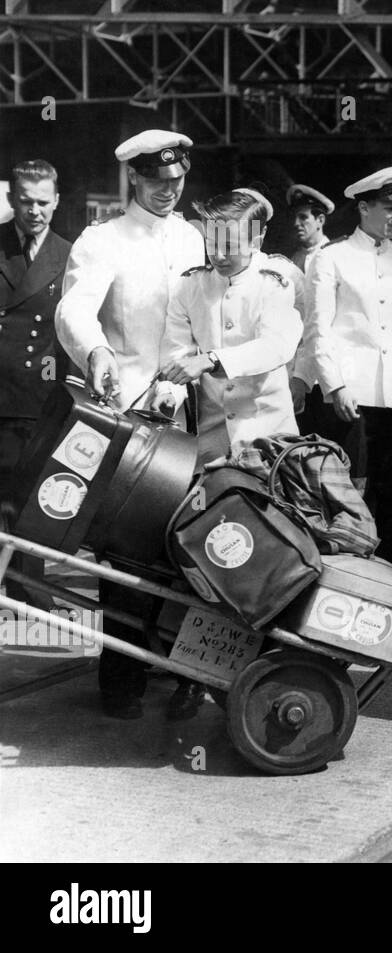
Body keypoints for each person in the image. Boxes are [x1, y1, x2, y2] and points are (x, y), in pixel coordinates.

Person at [55, 129, 205, 720]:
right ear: (134, 180)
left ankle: (180, 670)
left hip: (190, 414)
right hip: (131, 416)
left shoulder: (194, 236)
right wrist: (95, 351)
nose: (169, 191)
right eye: (157, 182)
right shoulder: (103, 240)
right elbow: (73, 306)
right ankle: (120, 679)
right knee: (126, 552)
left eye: (178, 181)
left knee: (187, 545)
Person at [304, 166, 392, 576]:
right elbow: (318, 329)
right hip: (345, 398)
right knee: (336, 495)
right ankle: (332, 579)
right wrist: (334, 385)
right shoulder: (330, 258)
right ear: (363, 207)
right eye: (388, 208)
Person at [159, 189, 301, 468]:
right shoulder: (190, 286)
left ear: (256, 242)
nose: (219, 255)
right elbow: (175, 352)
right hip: (211, 439)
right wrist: (169, 392)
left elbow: (276, 346)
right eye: (211, 243)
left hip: (267, 435)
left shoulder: (273, 284)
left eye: (230, 245)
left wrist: (212, 360)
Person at [0, 159, 71, 609]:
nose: (34, 211)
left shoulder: (69, 254)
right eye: (25, 201)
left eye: (43, 202)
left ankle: (27, 600)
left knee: (28, 503)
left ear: (57, 201)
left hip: (40, 397)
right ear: (11, 200)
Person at [285, 182, 335, 436]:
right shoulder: (292, 261)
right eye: (294, 217)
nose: (297, 223)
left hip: (327, 370)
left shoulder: (335, 256)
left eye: (303, 217)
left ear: (320, 220)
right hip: (296, 369)